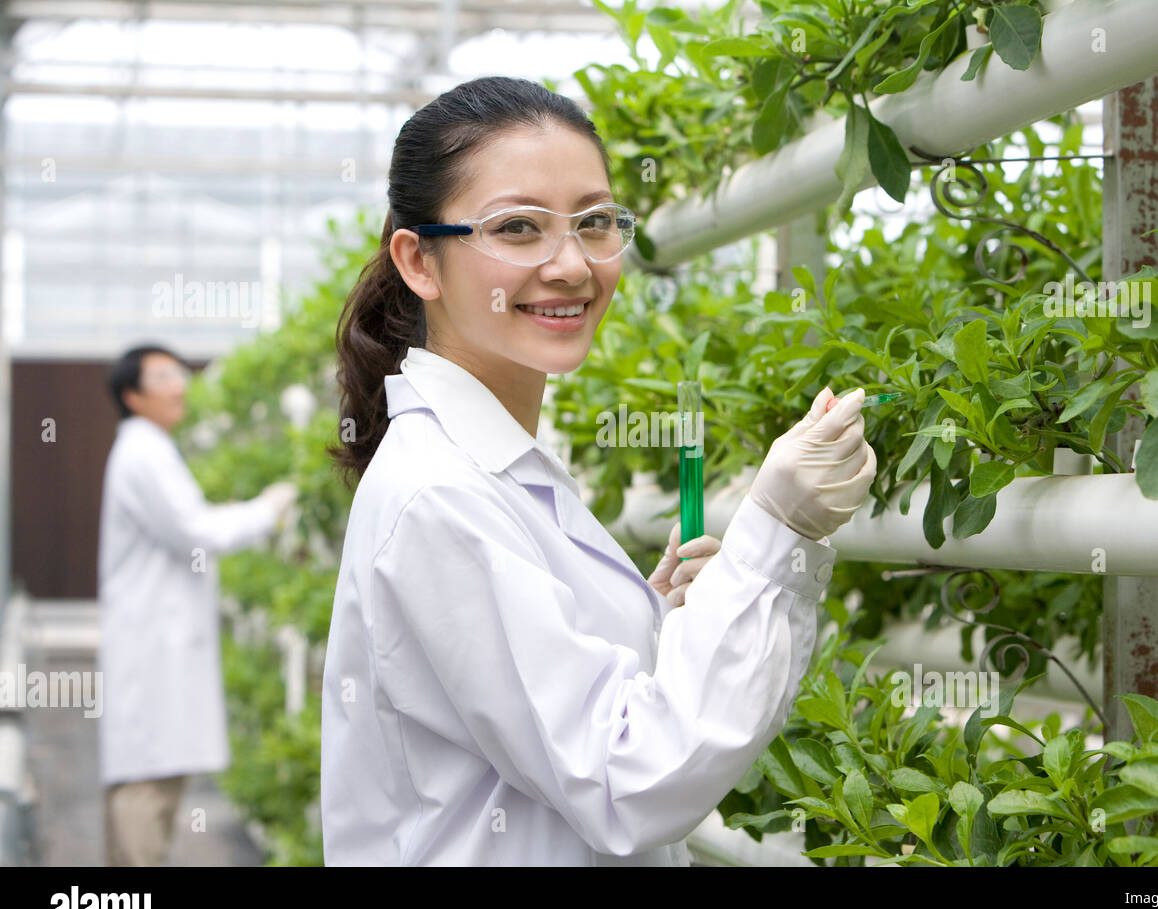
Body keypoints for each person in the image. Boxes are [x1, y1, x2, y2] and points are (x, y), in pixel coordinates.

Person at [320, 76, 877, 866]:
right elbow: (628, 780)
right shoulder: (439, 494)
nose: (572, 264)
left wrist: (659, 620)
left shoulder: (493, 466)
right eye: (517, 229)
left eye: (595, 221)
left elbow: (546, 697)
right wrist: (775, 532)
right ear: (420, 260)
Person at [98, 344, 298, 866]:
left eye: (178, 373)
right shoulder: (144, 453)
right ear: (133, 396)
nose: (179, 385)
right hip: (152, 646)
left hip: (155, 640)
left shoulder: (148, 449)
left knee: (155, 781)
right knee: (148, 786)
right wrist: (265, 510)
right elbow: (194, 532)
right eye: (162, 376)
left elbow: (186, 522)